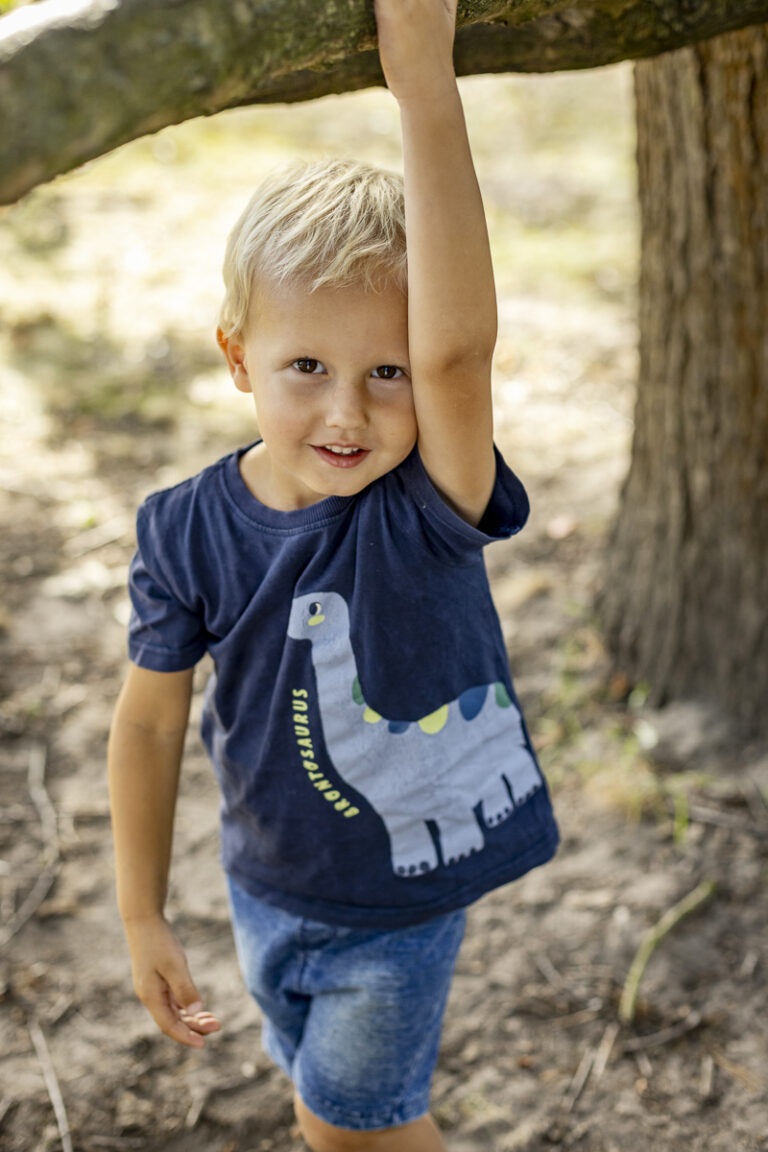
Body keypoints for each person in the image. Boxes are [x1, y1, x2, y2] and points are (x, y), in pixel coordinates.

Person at [108, 2, 559, 1149]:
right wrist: (142, 910)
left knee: (348, 1131)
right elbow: (153, 725)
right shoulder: (182, 530)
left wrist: (424, 77)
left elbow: (460, 350)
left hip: (396, 912)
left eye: (388, 371)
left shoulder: (425, 507)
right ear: (236, 358)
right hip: (262, 889)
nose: (349, 411)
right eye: (305, 364)